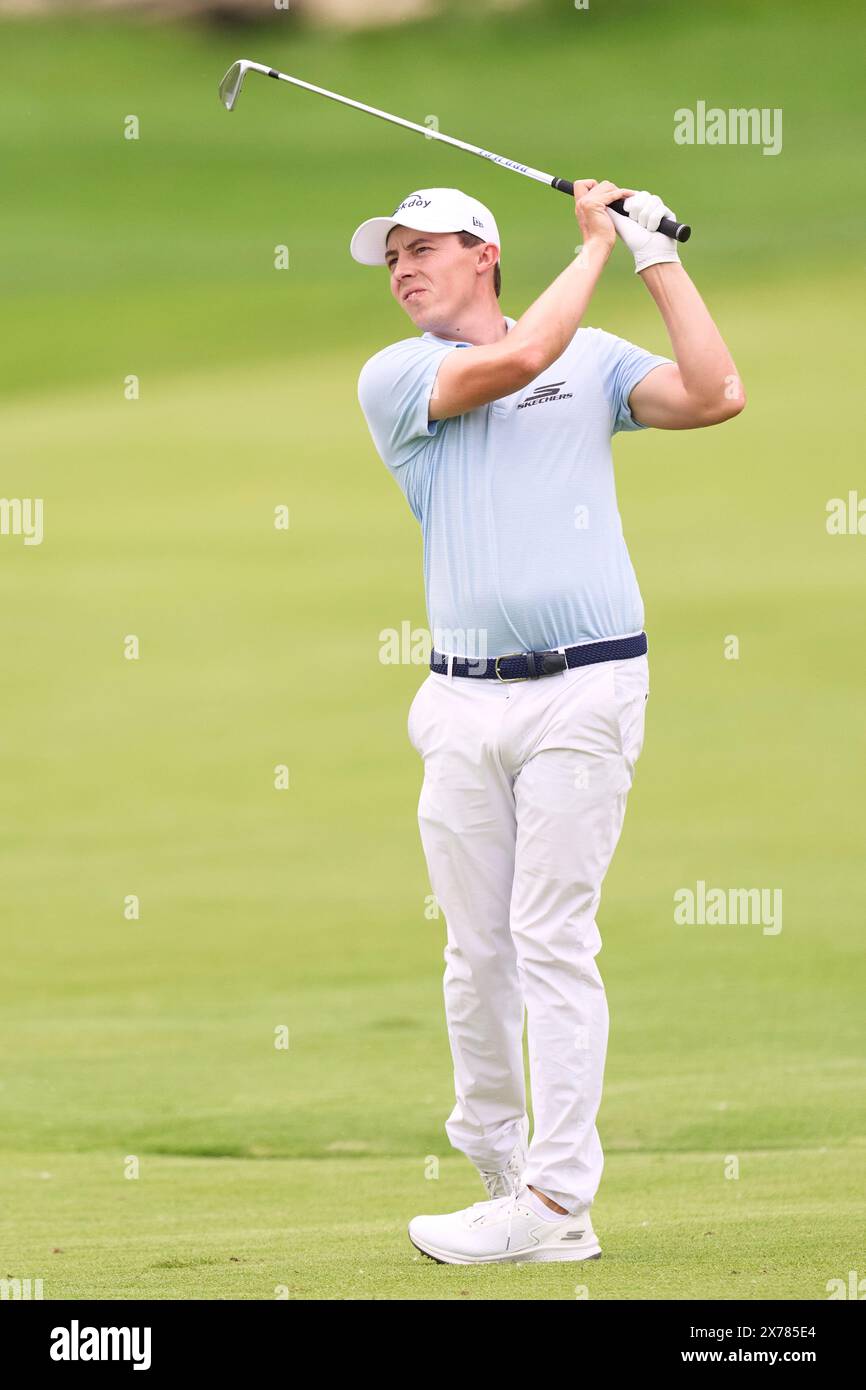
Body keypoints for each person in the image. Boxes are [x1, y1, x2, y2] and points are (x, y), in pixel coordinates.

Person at [352, 182, 744, 1265]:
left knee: (551, 940)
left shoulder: (595, 357)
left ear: (482, 253)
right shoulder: (398, 375)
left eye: (421, 248)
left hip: (587, 687)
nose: (401, 270)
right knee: (474, 955)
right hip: (461, 700)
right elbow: (518, 364)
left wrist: (654, 252)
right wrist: (593, 248)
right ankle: (499, 1172)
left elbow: (715, 394)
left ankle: (557, 1198)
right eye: (390, 258)